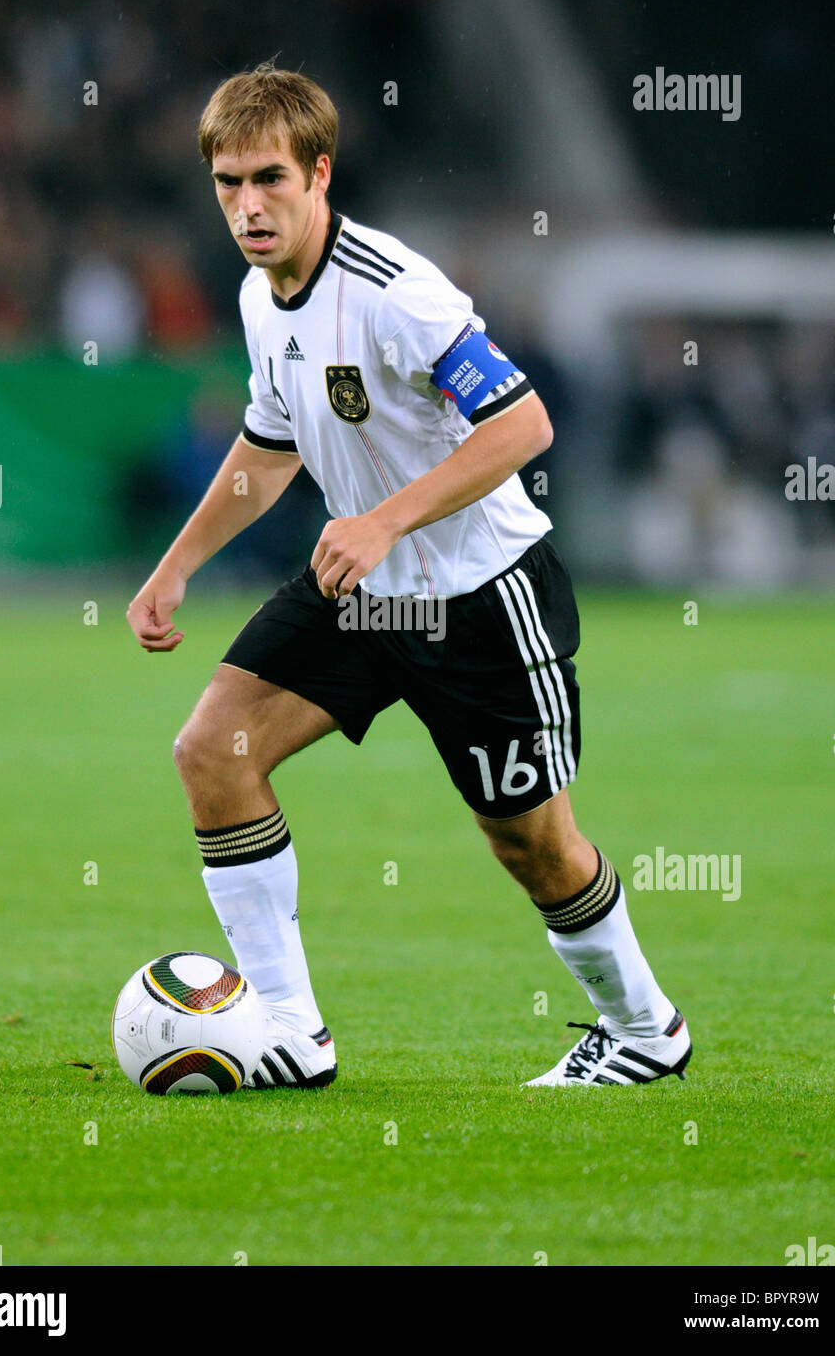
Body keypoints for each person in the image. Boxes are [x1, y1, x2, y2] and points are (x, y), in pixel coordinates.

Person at [126, 63, 692, 1089]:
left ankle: (645, 1029)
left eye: (268, 179)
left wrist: (384, 519)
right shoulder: (262, 298)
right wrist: (174, 566)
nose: (247, 207)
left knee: (535, 848)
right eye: (227, 184)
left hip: (481, 593)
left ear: (320, 172)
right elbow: (269, 443)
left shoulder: (397, 292)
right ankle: (292, 1035)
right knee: (213, 748)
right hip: (359, 587)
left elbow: (525, 424)